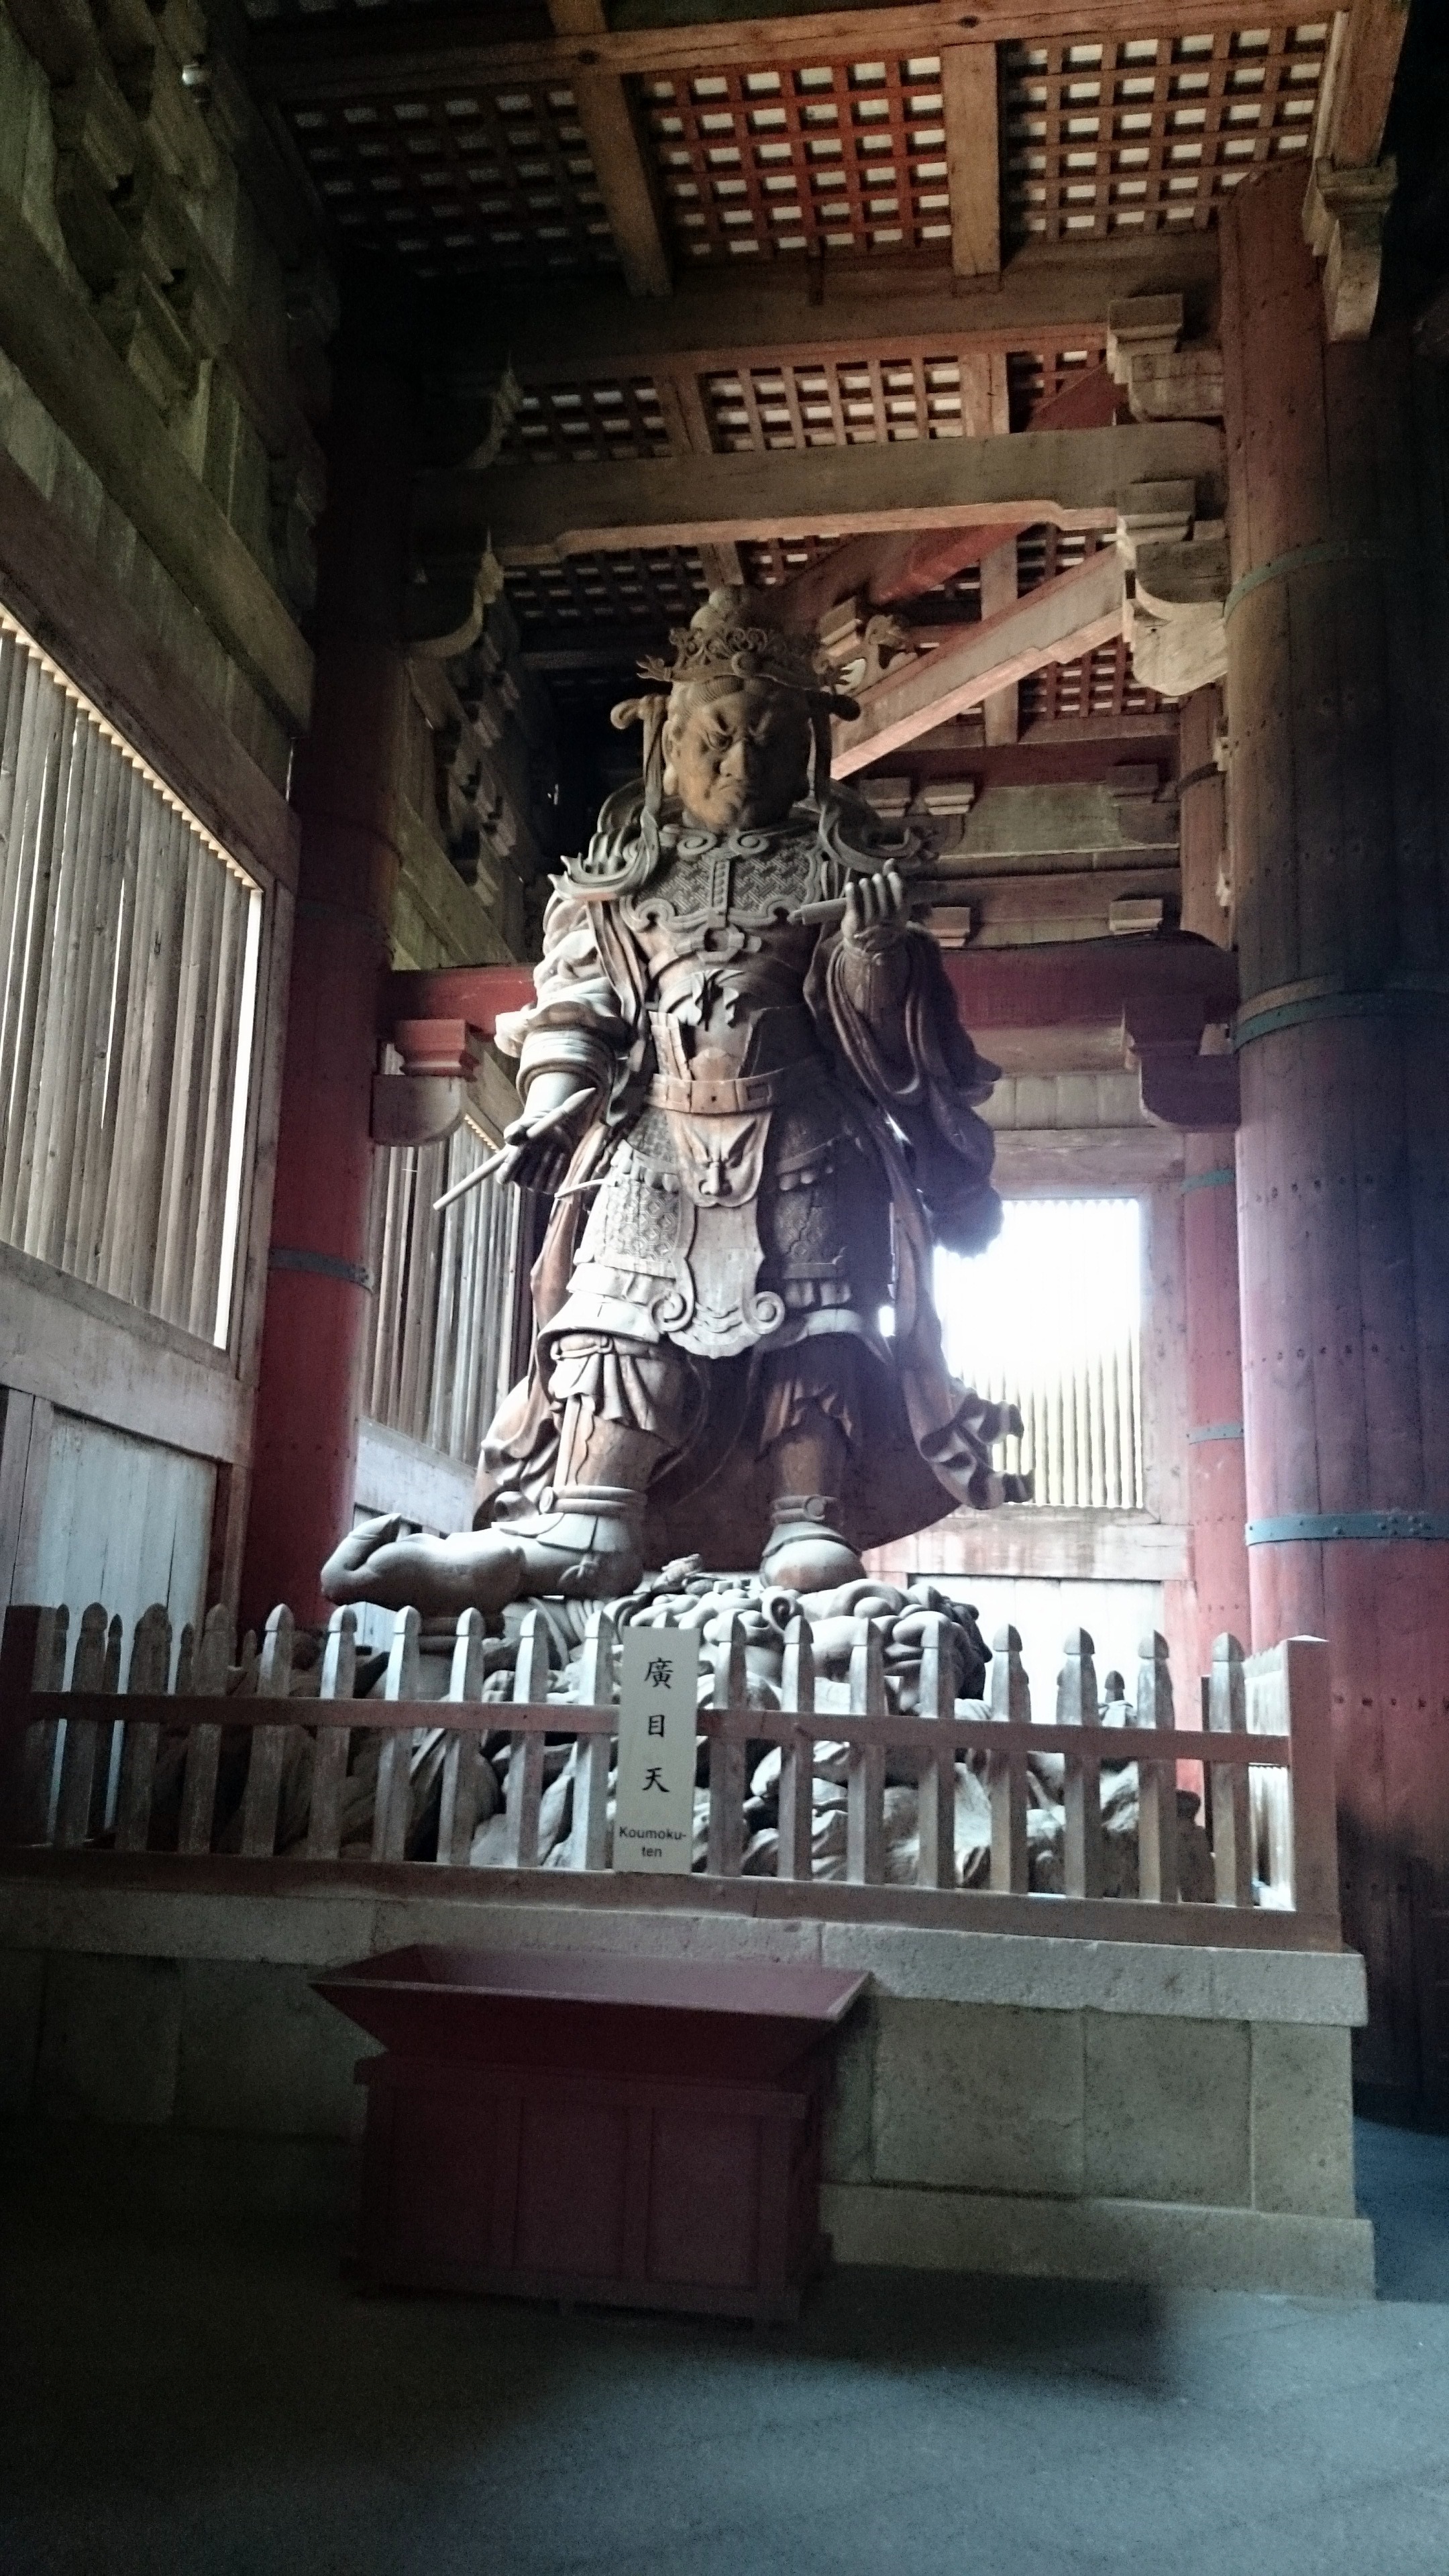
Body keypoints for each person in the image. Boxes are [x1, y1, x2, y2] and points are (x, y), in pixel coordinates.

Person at [324, 592, 1026, 1616]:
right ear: (667, 744)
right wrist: (554, 1101)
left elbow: (889, 1038)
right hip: (653, 1142)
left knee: (817, 1323)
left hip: (809, 1141)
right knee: (615, 1317)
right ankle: (588, 1516)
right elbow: (578, 1005)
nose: (741, 763)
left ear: (810, 753)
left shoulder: (840, 871)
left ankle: (808, 1515)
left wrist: (877, 955)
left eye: (769, 740)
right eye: (718, 737)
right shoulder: (620, 881)